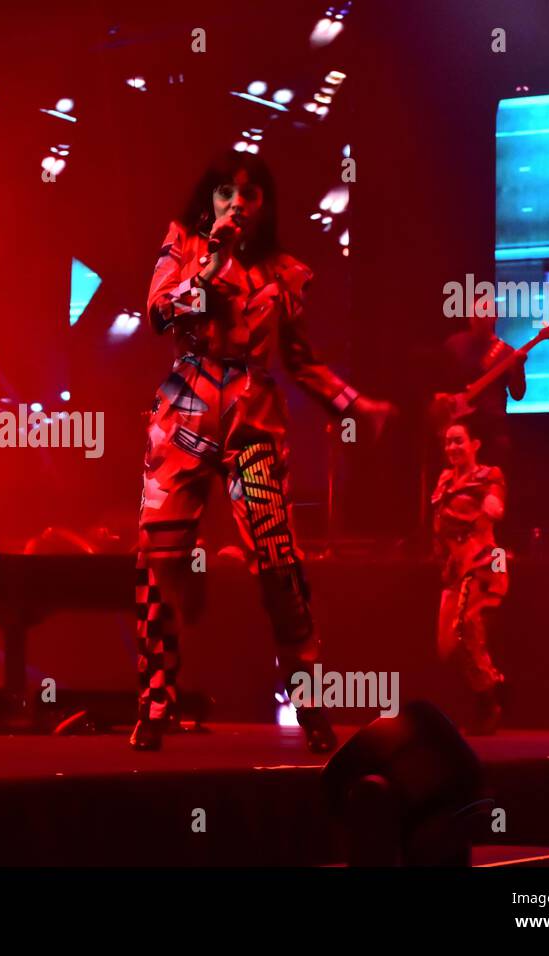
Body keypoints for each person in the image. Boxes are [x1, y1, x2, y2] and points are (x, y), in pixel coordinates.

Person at [133, 150, 392, 753]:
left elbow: (301, 359)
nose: (238, 203)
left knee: (280, 566)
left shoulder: (286, 273)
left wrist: (355, 404)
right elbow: (158, 313)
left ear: (265, 206)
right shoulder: (180, 246)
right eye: (226, 191)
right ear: (210, 201)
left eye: (250, 194)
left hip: (253, 425)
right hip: (185, 412)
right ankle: (154, 702)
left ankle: (310, 704)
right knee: (160, 559)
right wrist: (211, 262)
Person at [431, 421, 508, 735]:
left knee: (466, 630)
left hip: (481, 563)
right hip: (453, 568)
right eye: (448, 442)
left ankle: (488, 704)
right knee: (447, 644)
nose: (453, 448)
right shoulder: (445, 479)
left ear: (474, 444)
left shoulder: (488, 475)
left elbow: (496, 505)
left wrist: (493, 503)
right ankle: (494, 684)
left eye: (459, 441)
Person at [438, 292, 526, 472]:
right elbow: (437, 386)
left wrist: (519, 368)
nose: (478, 317)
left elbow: (518, 394)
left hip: (493, 433)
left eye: (484, 312)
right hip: (459, 432)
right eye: (475, 312)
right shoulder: (454, 345)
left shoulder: (505, 353)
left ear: (495, 316)